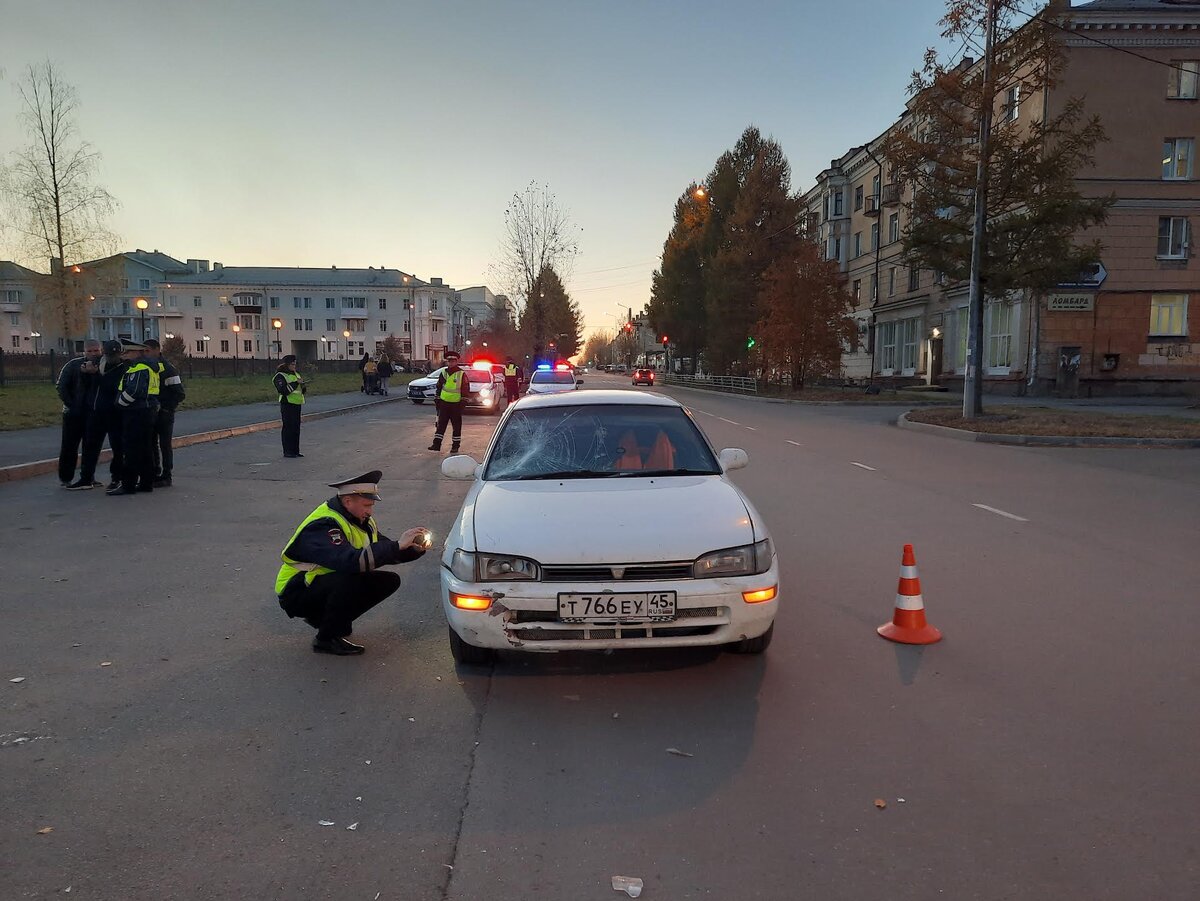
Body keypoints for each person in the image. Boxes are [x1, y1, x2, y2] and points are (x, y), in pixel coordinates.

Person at [274, 470, 431, 655]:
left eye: (371, 505)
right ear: (348, 501)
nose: (370, 511)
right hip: (296, 590)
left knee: (389, 581)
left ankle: (328, 622)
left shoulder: (362, 520)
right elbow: (350, 561)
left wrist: (412, 549)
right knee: (350, 578)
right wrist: (396, 546)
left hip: (321, 583)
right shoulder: (324, 524)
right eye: (366, 505)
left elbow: (383, 548)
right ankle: (325, 639)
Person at [108, 341, 160, 495]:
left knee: (131, 450)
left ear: (138, 352)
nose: (124, 355)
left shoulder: (139, 368)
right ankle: (146, 482)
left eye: (127, 352)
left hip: (136, 412)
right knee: (145, 449)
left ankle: (128, 484)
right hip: (146, 411)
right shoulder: (149, 366)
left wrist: (119, 403)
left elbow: (134, 391)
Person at [78, 340, 128, 491]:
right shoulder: (96, 363)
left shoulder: (124, 367)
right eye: (108, 354)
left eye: (115, 354)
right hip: (95, 411)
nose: (112, 357)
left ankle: (117, 478)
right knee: (90, 446)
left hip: (115, 413)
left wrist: (96, 375)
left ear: (120, 353)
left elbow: (114, 387)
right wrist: (86, 374)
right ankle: (86, 478)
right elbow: (86, 386)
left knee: (118, 448)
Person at [59, 339, 102, 489]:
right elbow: (62, 387)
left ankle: (88, 476)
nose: (93, 353)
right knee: (69, 446)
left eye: (96, 350)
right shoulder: (72, 365)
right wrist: (72, 405)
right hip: (73, 413)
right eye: (89, 351)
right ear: (84, 351)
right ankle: (66, 477)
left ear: (100, 350)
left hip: (95, 413)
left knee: (92, 447)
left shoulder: (104, 366)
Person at [144, 339, 185, 488]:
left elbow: (179, 393)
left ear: (157, 350)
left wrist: (167, 408)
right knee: (151, 443)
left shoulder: (167, 368)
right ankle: (155, 472)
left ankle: (167, 475)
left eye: (147, 351)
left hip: (164, 413)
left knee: (165, 444)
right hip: (150, 412)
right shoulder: (145, 367)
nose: (145, 354)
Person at [428, 350, 465, 453]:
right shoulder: (443, 372)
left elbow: (465, 389)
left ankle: (455, 446)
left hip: (456, 404)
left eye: (453, 361)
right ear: (447, 362)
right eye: (449, 361)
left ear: (456, 361)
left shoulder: (461, 374)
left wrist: (463, 403)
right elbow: (439, 387)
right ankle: (436, 444)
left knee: (456, 427)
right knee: (440, 425)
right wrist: (437, 399)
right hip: (444, 403)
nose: (451, 363)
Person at [274, 354, 306, 458]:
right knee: (288, 428)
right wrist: (296, 383)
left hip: (297, 404)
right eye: (292, 364)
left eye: (295, 364)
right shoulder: (280, 376)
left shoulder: (296, 374)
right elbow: (284, 391)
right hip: (287, 403)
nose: (294, 366)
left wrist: (303, 385)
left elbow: (301, 390)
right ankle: (288, 451)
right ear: (286, 364)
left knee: (296, 428)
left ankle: (295, 451)